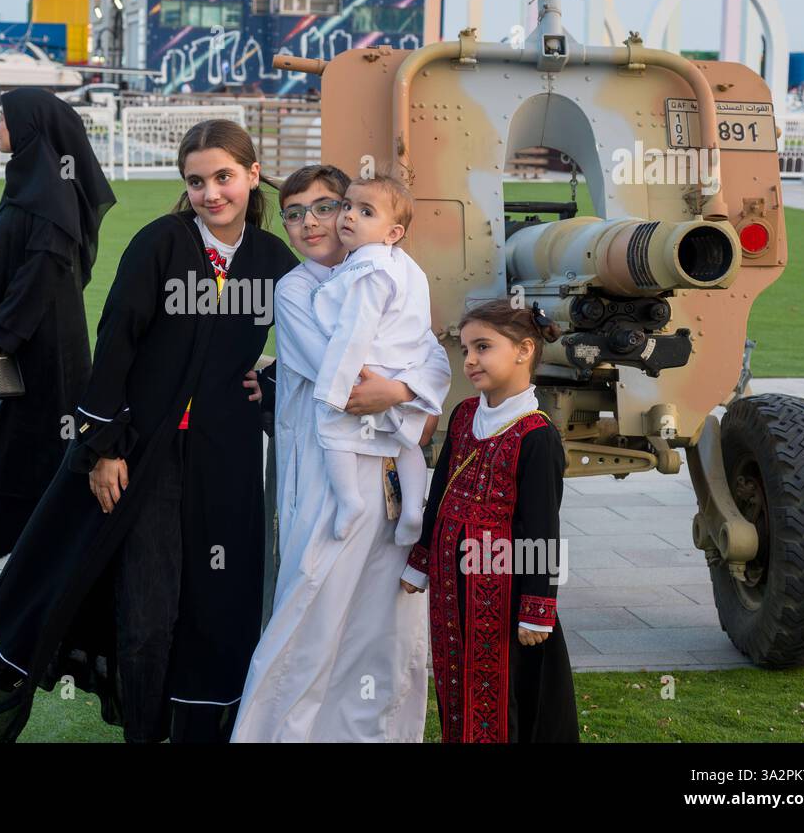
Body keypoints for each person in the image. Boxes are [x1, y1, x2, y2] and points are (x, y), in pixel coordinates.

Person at [0, 118, 298, 743]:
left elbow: (319, 339)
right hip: (144, 459)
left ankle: (199, 730)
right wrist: (103, 450)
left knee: (217, 604)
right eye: (196, 181)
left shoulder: (273, 260)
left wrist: (270, 382)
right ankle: (143, 732)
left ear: (253, 177)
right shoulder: (161, 244)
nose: (211, 193)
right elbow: (114, 344)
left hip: (223, 464)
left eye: (224, 177)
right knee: (146, 612)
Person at [231, 165, 450, 743]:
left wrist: (403, 392)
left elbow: (429, 357)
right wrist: (406, 399)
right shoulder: (297, 290)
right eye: (294, 212)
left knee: (386, 626)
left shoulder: (395, 272)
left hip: (394, 483)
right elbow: (348, 381)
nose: (309, 223)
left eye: (324, 207)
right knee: (313, 614)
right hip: (329, 478)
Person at [0, 87, 115, 576]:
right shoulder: (26, 181)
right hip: (10, 334)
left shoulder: (55, 193)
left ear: (29, 128)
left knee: (31, 439)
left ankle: (22, 545)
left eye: (3, 119)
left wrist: (1, 326)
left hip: (44, 344)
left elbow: (41, 273)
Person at [401, 299, 579, 743]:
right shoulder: (463, 416)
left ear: (523, 350)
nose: (471, 359)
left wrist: (538, 609)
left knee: (504, 694)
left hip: (503, 594)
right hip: (450, 589)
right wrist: (420, 563)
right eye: (465, 350)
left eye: (483, 346)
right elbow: (438, 493)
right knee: (454, 679)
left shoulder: (537, 436)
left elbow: (542, 529)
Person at [310, 175, 440, 546]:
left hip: (369, 373)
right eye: (347, 206)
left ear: (393, 232)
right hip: (404, 368)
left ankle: (349, 500)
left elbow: (355, 333)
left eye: (365, 212)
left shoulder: (369, 271)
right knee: (407, 442)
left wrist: (336, 390)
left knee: (332, 431)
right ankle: (414, 505)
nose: (349, 216)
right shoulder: (404, 266)